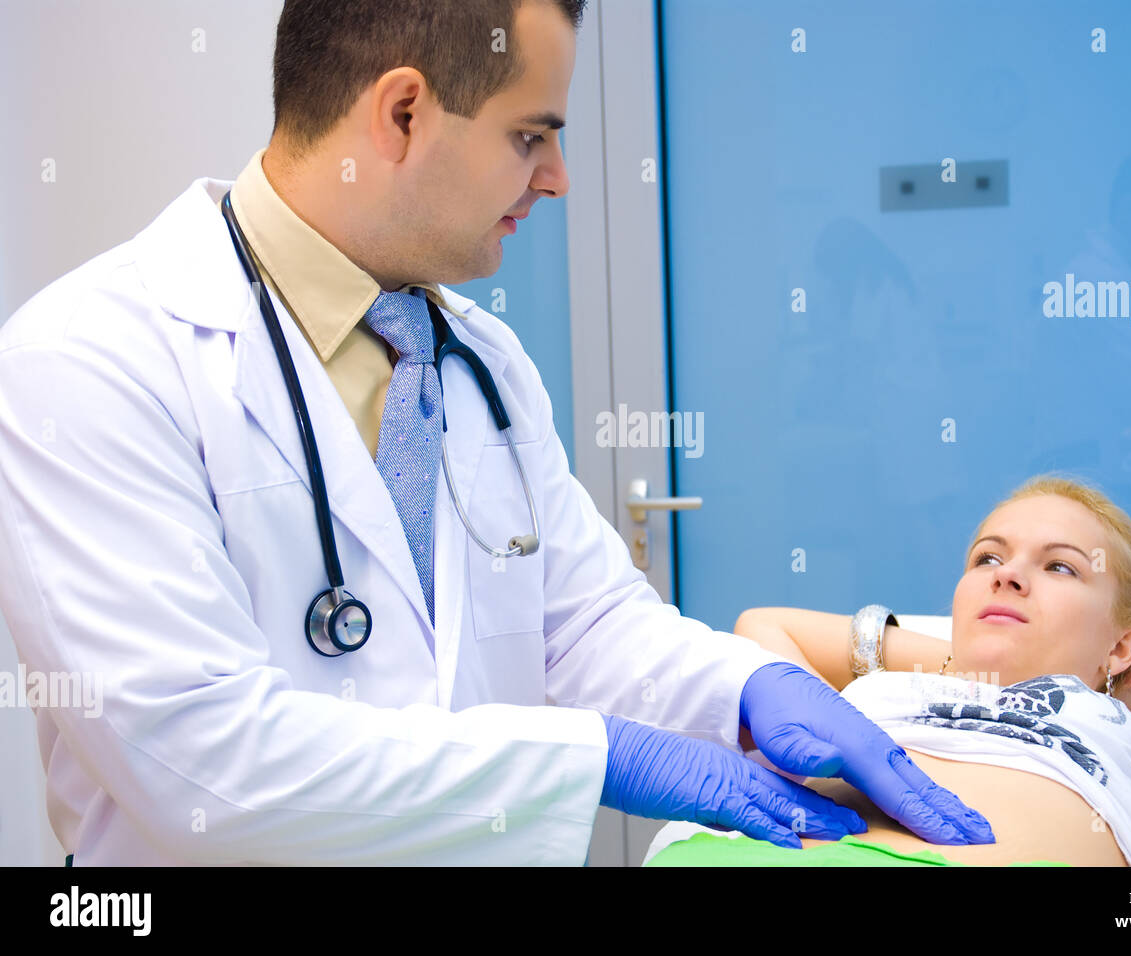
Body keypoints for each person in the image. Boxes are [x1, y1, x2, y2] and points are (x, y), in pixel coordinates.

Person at [0, 0, 994, 865]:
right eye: (532, 135)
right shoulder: (89, 361)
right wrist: (607, 756)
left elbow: (585, 623)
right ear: (402, 113)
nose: (558, 178)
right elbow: (198, 757)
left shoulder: (483, 360)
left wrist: (746, 685)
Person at [646, 474, 1131, 867]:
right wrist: (968, 670)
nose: (1007, 575)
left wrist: (1119, 697)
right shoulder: (879, 694)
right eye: (988, 558)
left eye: (1060, 566)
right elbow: (762, 625)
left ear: (1124, 646)